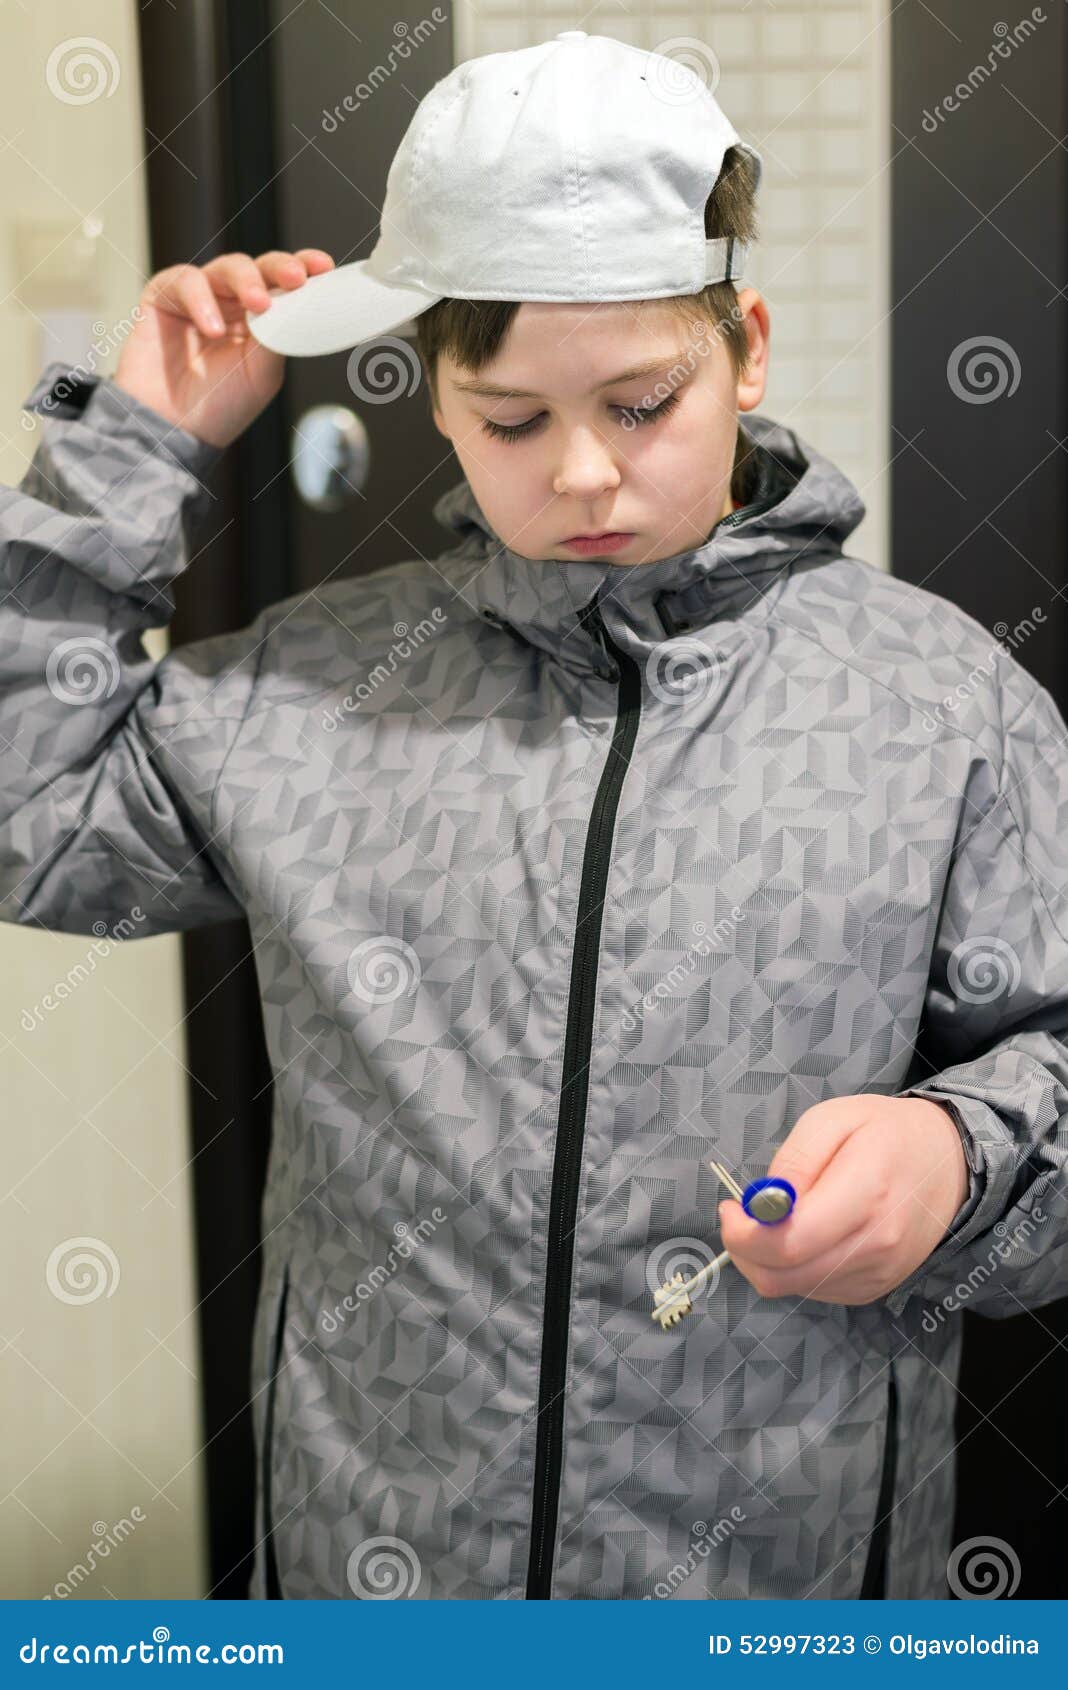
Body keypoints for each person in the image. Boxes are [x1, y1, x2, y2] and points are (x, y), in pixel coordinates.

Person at [2, 31, 1067, 1603]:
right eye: (511, 421)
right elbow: (28, 806)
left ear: (746, 351)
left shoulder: (944, 704)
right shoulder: (308, 689)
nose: (582, 476)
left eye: (642, 404)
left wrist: (957, 1160)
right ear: (435, 397)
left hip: (785, 1583)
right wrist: (120, 431)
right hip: (382, 1578)